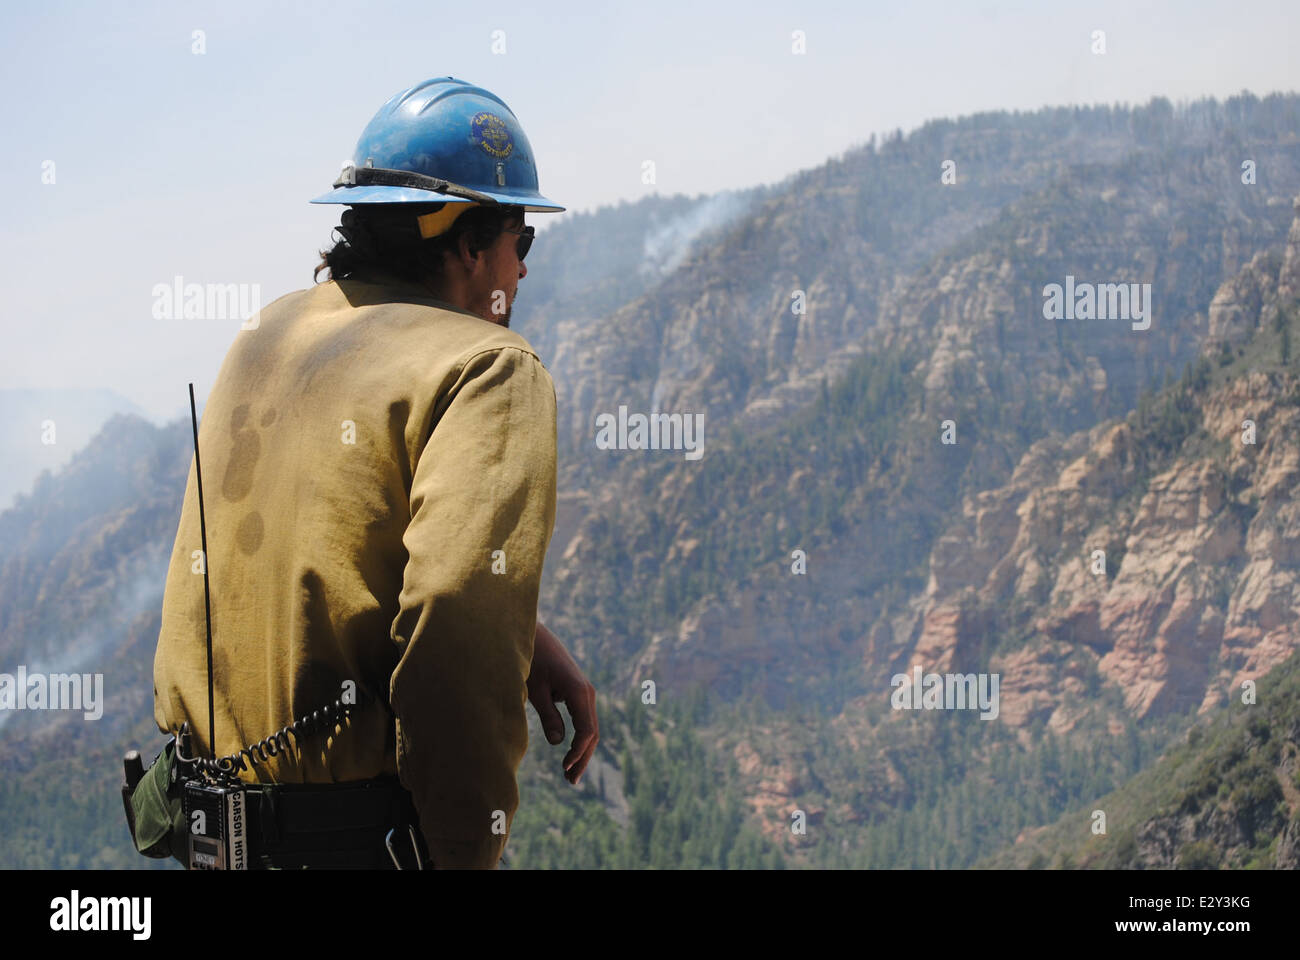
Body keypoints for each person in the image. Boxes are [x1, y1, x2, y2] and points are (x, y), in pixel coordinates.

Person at [152, 77, 597, 869]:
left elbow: (318, 541)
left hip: (204, 839)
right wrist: (462, 851)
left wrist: (519, 630)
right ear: (466, 245)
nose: (523, 272)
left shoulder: (270, 333)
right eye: (519, 240)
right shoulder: (488, 367)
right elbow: (454, 612)